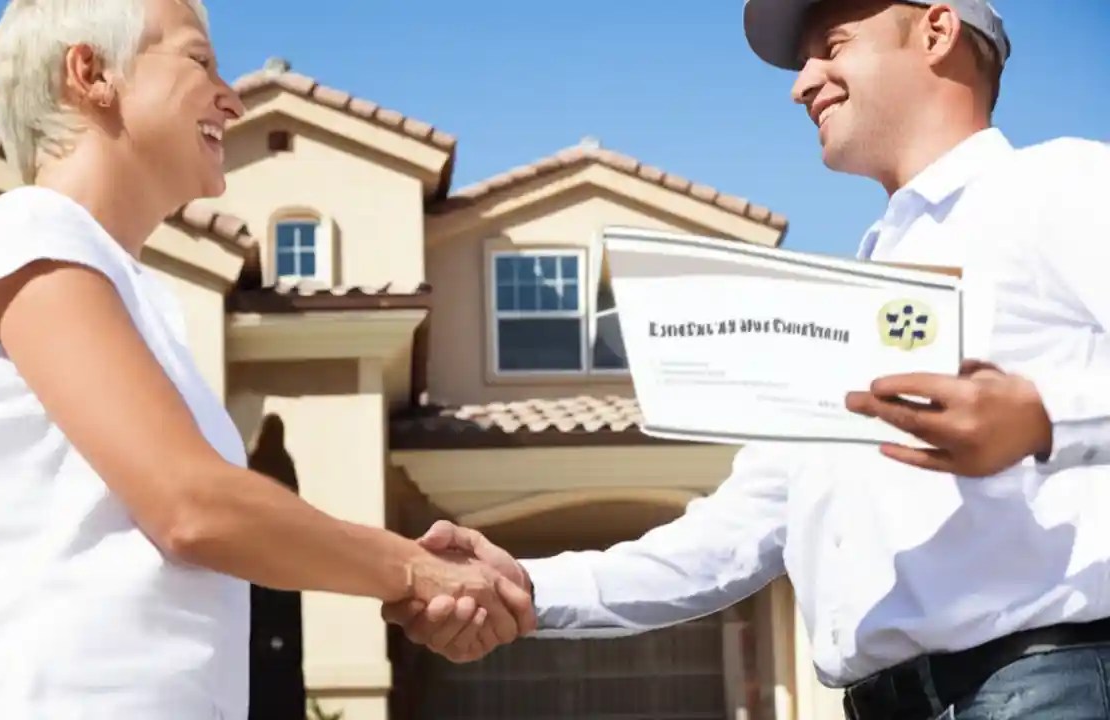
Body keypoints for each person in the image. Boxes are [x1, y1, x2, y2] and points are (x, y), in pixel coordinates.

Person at [384, 1, 1110, 718]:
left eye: (833, 45)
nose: (802, 83)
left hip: (1046, 687)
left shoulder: (1059, 184)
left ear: (937, 30)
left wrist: (1046, 421)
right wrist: (525, 586)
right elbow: (731, 536)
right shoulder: (852, 300)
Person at [0, 0, 530, 718]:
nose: (231, 98)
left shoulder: (137, 297)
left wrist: (420, 575)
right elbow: (192, 504)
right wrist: (412, 569)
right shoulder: (27, 232)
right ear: (91, 73)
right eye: (199, 61)